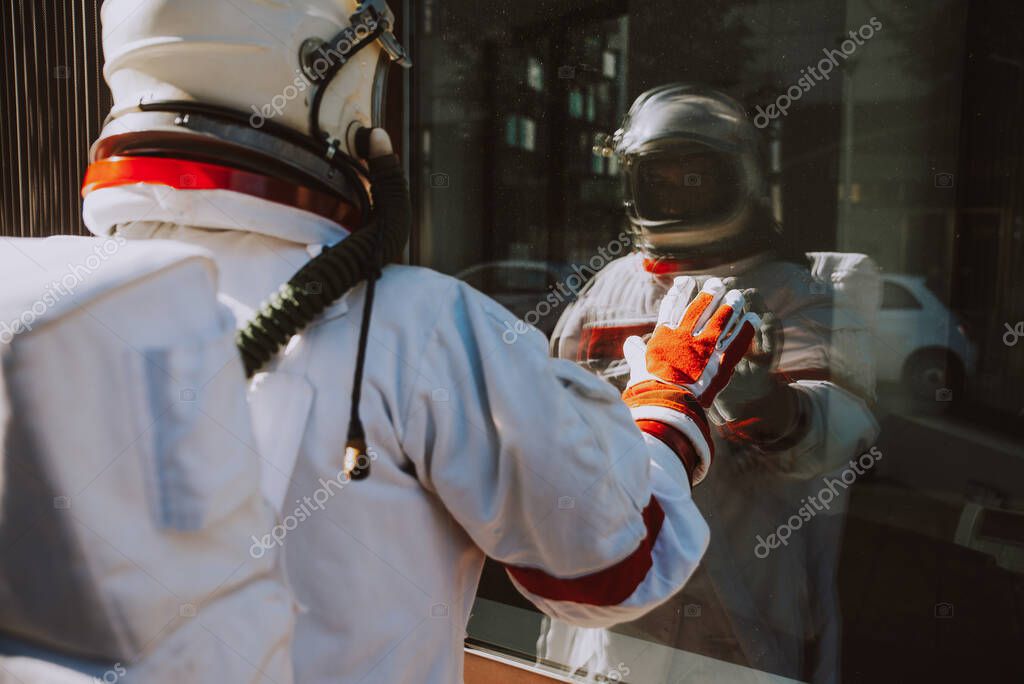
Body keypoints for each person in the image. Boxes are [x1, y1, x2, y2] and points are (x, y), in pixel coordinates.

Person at [22, 4, 763, 682]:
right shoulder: (422, 327)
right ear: (332, 82)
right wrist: (668, 404)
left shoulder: (32, 293)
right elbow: (612, 568)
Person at [549, 84, 881, 682]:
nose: (678, 190)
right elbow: (553, 423)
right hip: (613, 611)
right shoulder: (607, 291)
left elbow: (847, 431)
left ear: (739, 179)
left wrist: (772, 408)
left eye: (695, 176)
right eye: (660, 178)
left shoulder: (796, 292)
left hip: (744, 614)